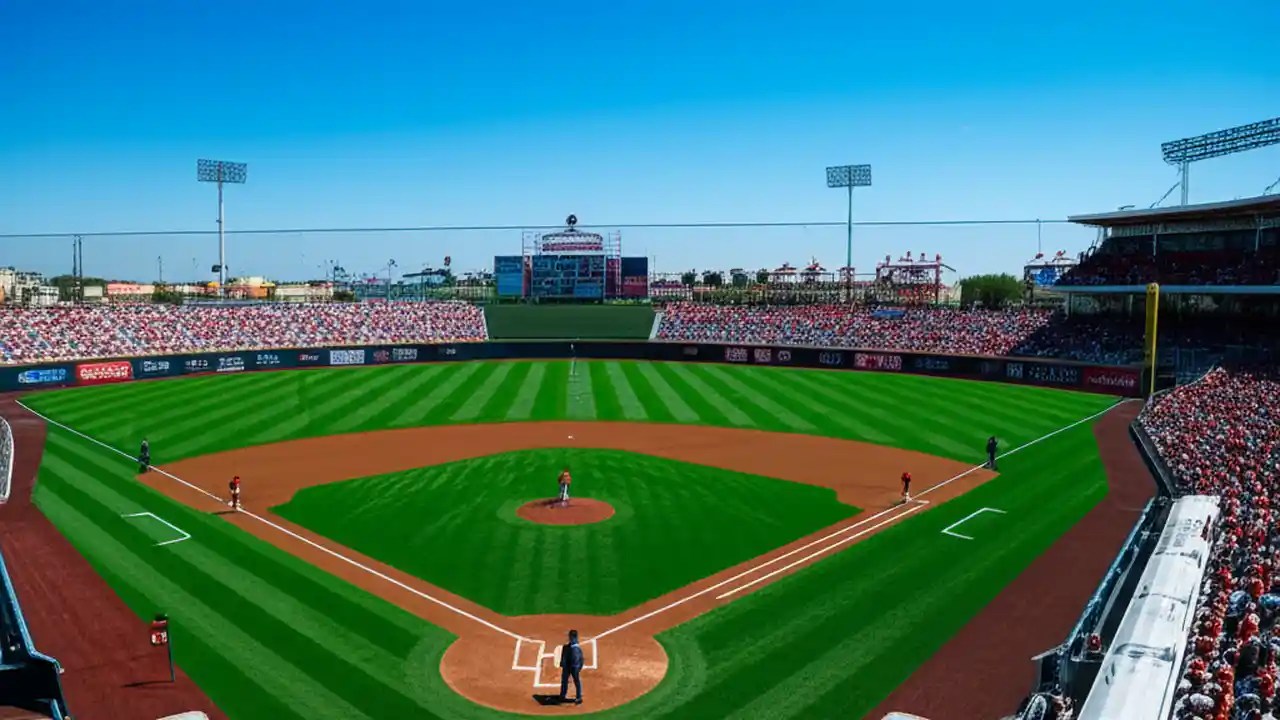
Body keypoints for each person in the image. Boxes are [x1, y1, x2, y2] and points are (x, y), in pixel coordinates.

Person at [559, 629, 584, 705]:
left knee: (576, 681)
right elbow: (581, 659)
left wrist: (578, 668)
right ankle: (563, 695)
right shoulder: (569, 647)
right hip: (569, 666)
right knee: (565, 680)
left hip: (573, 667)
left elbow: (580, 659)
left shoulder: (576, 648)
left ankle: (578, 697)